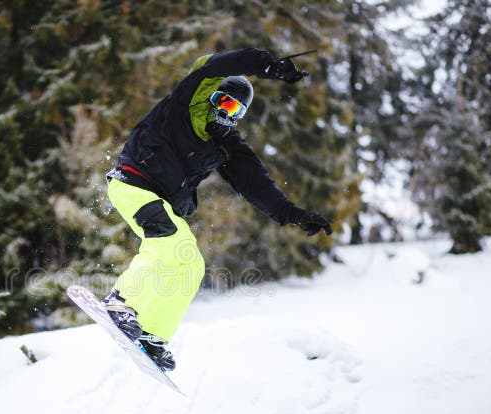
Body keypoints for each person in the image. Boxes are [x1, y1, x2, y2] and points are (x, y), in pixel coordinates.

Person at [103, 48, 333, 372]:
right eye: (221, 101)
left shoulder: (225, 144)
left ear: (239, 115)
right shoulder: (189, 104)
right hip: (134, 182)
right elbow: (212, 67)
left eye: (233, 108)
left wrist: (292, 214)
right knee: (167, 241)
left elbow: (256, 183)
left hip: (160, 201)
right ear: (211, 98)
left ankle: (152, 334)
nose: (224, 111)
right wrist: (267, 67)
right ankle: (121, 303)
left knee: (191, 263)